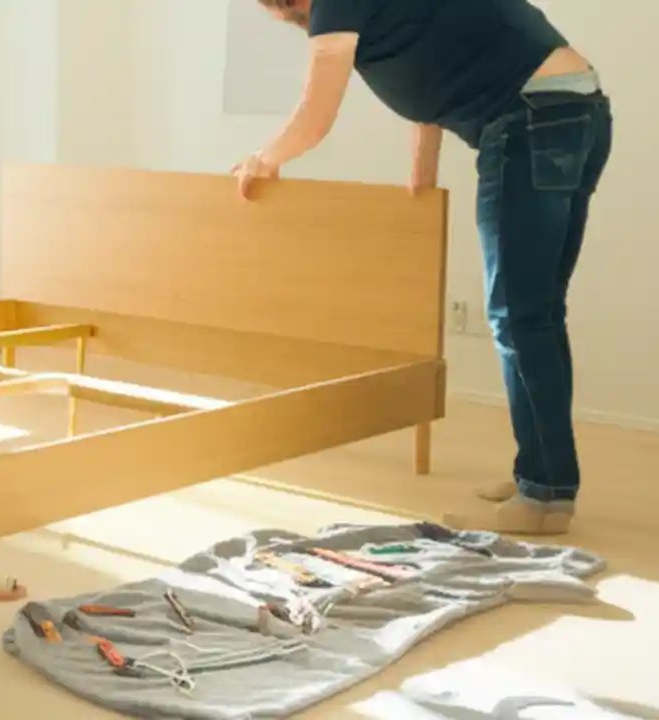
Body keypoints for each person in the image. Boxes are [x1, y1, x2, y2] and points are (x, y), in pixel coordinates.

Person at [236, 0, 613, 535]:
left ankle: (544, 492)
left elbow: (316, 114)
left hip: (532, 122)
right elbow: (429, 75)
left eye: (287, 12)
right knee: (538, 313)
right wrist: (422, 174)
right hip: (577, 112)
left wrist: (264, 159)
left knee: (520, 316)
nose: (295, 22)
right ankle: (544, 476)